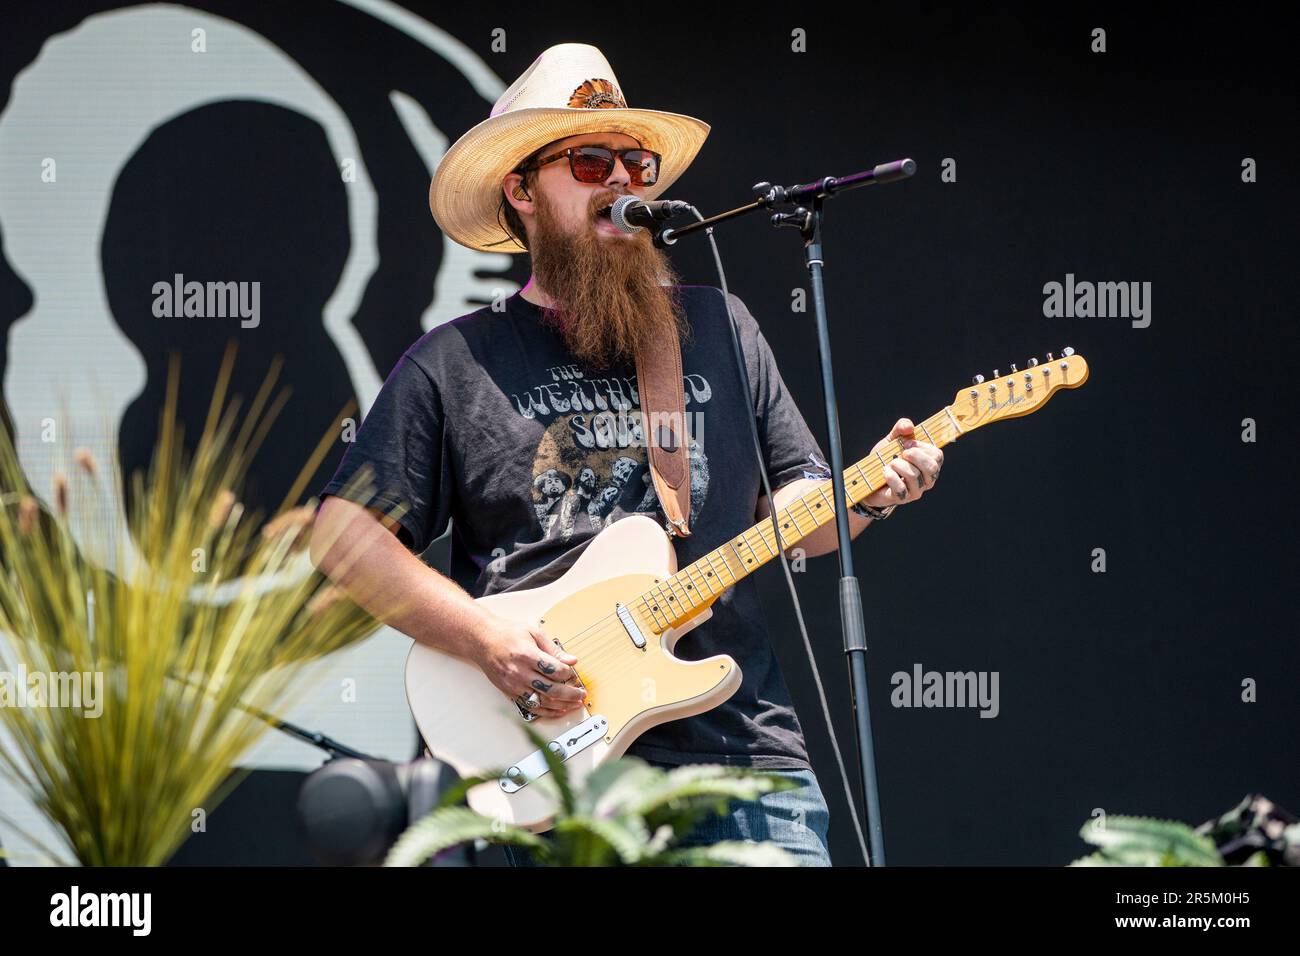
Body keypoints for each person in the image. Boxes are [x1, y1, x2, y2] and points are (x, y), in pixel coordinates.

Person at [309, 43, 944, 867]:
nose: (622, 181)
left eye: (636, 162)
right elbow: (341, 536)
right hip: (545, 773)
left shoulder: (716, 327)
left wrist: (871, 490)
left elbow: (800, 517)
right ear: (521, 189)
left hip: (739, 760)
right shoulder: (455, 361)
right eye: (589, 159)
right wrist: (485, 643)